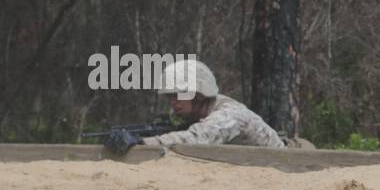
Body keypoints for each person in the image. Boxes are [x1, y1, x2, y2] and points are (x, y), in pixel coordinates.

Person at [101, 60, 287, 155]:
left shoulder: (230, 115)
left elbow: (197, 138)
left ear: (199, 94)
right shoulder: (198, 113)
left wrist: (142, 142)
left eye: (179, 94)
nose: (173, 101)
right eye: (170, 96)